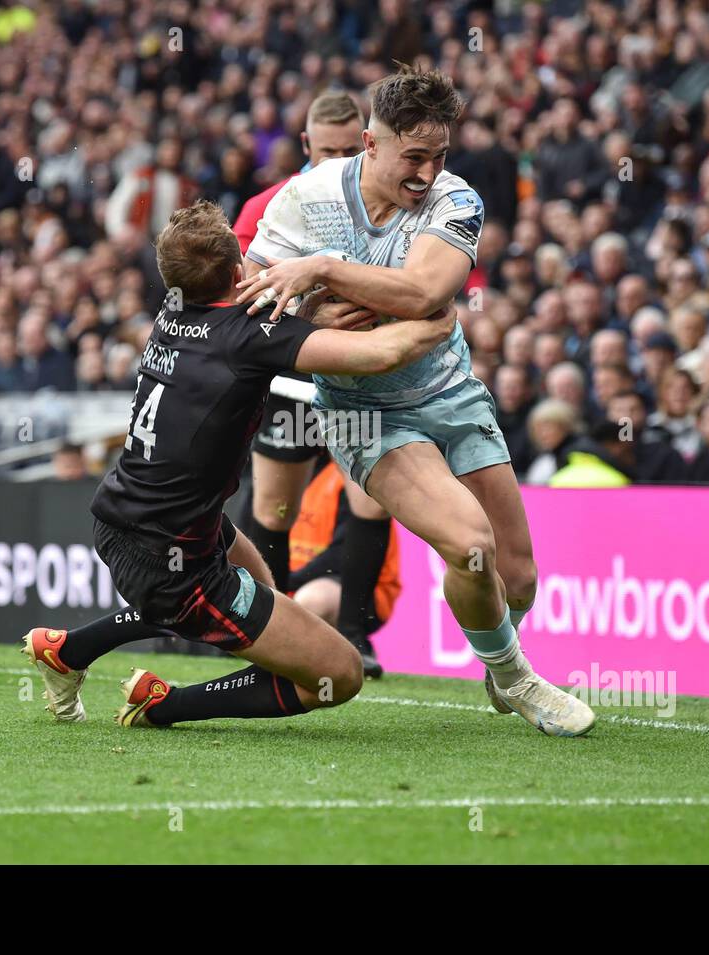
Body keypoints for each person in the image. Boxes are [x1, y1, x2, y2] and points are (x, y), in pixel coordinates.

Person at [237, 65, 594, 737]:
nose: (428, 172)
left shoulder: (456, 201)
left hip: (451, 394)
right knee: (470, 545)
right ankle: (518, 679)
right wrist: (310, 329)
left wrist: (323, 271)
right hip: (366, 411)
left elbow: (426, 294)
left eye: (439, 156)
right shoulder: (303, 199)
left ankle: (498, 654)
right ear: (370, 144)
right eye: (414, 156)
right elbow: (248, 308)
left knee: (517, 578)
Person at [19, 200, 451, 728]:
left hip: (127, 519)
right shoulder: (248, 338)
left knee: (258, 583)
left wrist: (307, 318)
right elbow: (381, 353)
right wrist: (437, 315)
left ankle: (70, 651)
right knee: (337, 676)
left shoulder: (171, 314)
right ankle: (166, 705)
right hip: (169, 554)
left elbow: (243, 339)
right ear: (238, 272)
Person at [234, 92, 392, 677]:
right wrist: (309, 320)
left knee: (370, 501)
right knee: (275, 510)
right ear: (305, 146)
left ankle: (356, 633)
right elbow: (241, 300)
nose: (339, 160)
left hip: (362, 377)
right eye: (328, 150)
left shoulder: (388, 201)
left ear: (369, 145)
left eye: (352, 149)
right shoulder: (267, 206)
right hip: (292, 381)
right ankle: (274, 634)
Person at [287, 459, 402, 637]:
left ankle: (352, 638)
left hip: (361, 588)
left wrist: (285, 580)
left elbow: (340, 555)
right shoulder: (277, 471)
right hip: (298, 580)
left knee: (313, 601)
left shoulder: (349, 476)